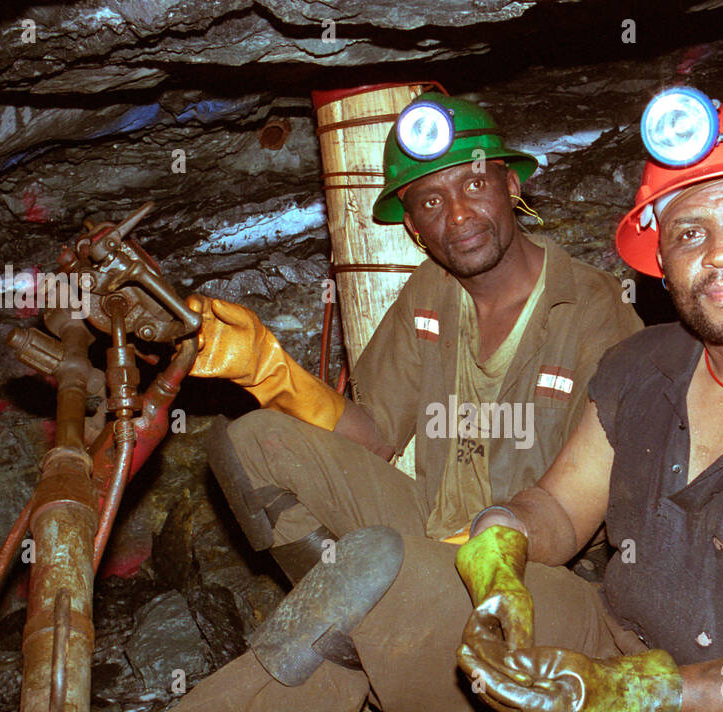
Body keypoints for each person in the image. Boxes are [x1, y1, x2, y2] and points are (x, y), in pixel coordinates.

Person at [66, 92, 723, 712]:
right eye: (689, 232)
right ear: (659, 254)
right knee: (363, 573)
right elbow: (560, 512)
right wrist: (502, 550)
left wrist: (626, 694)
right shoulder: (644, 371)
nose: (718, 255)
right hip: (603, 631)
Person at [193, 91, 641, 584]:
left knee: (415, 597)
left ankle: (380, 607)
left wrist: (490, 544)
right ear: (412, 226)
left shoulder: (594, 305)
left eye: (473, 183)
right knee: (253, 440)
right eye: (431, 201)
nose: (458, 215)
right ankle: (349, 598)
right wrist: (267, 369)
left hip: (538, 560)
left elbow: (598, 494)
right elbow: (375, 437)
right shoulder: (430, 290)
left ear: (511, 184)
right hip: (429, 536)